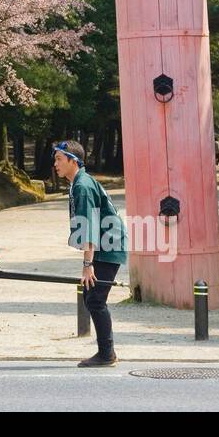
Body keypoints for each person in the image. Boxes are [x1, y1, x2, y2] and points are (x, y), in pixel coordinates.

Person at [58, 140, 126, 367]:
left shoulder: (82, 186)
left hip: (109, 245)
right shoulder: (79, 182)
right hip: (106, 243)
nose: (55, 164)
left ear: (73, 161)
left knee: (96, 300)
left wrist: (88, 265)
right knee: (91, 297)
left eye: (59, 159)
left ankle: (107, 354)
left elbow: (89, 225)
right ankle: (106, 353)